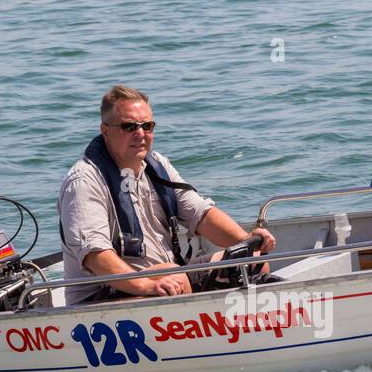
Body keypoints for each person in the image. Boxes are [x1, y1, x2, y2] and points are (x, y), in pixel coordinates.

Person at [58, 85, 275, 305]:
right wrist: (147, 285)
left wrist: (245, 242)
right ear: (105, 130)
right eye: (129, 126)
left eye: (147, 126)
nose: (140, 134)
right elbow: (96, 256)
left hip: (166, 277)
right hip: (103, 295)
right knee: (174, 276)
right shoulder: (84, 182)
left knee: (253, 262)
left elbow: (201, 215)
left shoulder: (157, 165)